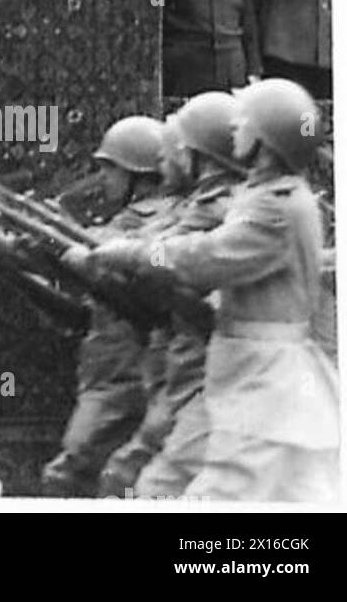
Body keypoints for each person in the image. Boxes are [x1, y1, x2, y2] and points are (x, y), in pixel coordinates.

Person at [84, 79, 339, 502]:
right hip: (261, 374)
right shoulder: (275, 197)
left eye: (245, 126)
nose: (235, 132)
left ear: (265, 138)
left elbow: (205, 256)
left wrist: (132, 253)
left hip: (263, 380)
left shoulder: (274, 207)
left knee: (209, 496)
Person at [96, 94, 240, 497]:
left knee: (151, 482)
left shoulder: (220, 210)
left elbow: (176, 253)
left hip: (211, 367)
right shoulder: (208, 204)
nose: (164, 163)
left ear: (199, 155)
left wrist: (126, 251)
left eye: (174, 152)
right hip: (184, 363)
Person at [37, 116, 168, 497]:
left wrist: (42, 237)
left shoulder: (148, 222)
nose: (103, 179)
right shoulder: (127, 219)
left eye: (112, 169)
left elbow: (94, 258)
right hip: (114, 371)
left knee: (71, 474)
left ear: (139, 176)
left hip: (129, 373)